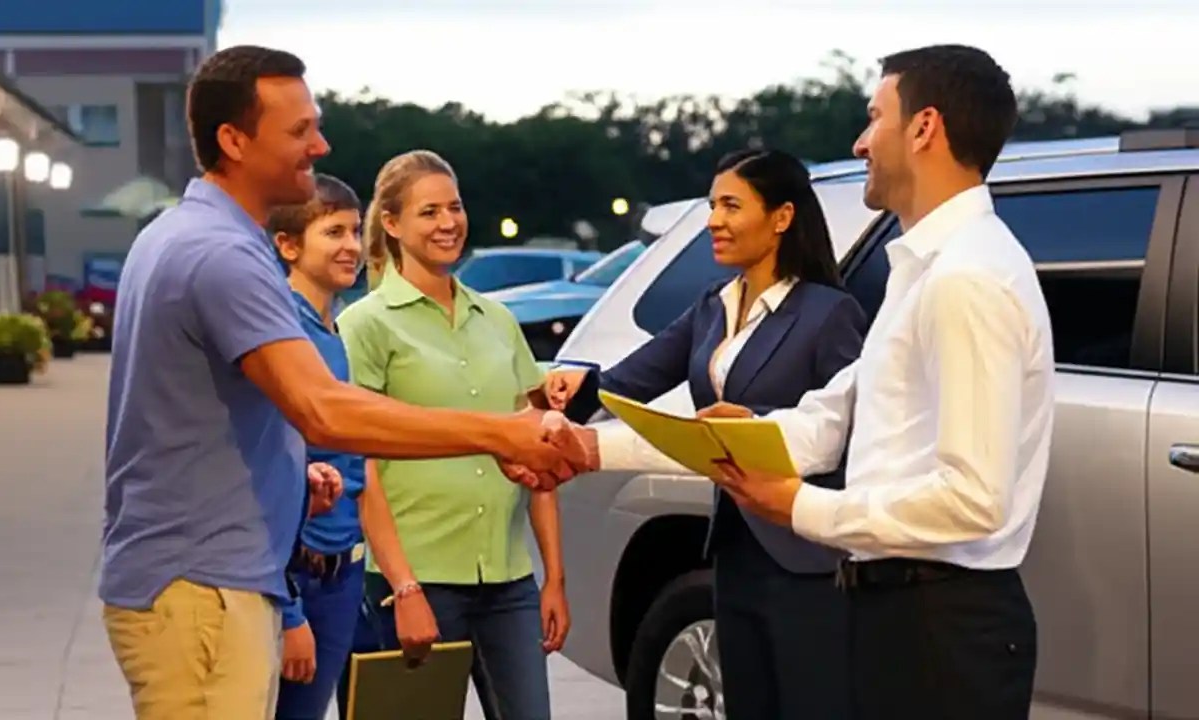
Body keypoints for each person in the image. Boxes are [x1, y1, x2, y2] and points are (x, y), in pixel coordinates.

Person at [100, 46, 587, 720]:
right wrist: (501, 432)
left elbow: (197, 415)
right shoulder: (222, 255)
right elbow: (323, 410)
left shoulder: (179, 235)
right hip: (203, 587)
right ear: (233, 140)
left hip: (197, 578)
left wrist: (295, 475)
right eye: (299, 131)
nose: (320, 145)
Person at [626, 45, 1050, 720]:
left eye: (873, 117)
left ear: (924, 128)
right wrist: (751, 438)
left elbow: (975, 498)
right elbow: (836, 417)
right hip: (895, 610)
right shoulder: (923, 271)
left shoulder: (967, 278)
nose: (859, 143)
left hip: (939, 625)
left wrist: (801, 508)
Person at [547, 148, 866, 720]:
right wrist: (551, 417)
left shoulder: (830, 313)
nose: (713, 220)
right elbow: (624, 385)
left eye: (730, 205)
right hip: (734, 548)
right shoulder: (713, 308)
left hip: (804, 554)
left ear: (782, 217)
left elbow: (850, 432)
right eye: (712, 204)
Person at [337, 149, 571, 720]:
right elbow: (359, 462)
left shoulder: (499, 320)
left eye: (455, 207)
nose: (448, 223)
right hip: (415, 581)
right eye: (429, 212)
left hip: (508, 582)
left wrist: (553, 578)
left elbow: (534, 447)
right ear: (391, 224)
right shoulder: (365, 325)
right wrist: (404, 588)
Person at [267, 174, 440, 719]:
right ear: (287, 245)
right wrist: (290, 612)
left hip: (342, 577)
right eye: (331, 232)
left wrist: (399, 582)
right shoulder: (282, 337)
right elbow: (264, 476)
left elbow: (361, 467)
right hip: (294, 577)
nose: (350, 246)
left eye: (352, 230)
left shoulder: (334, 335)